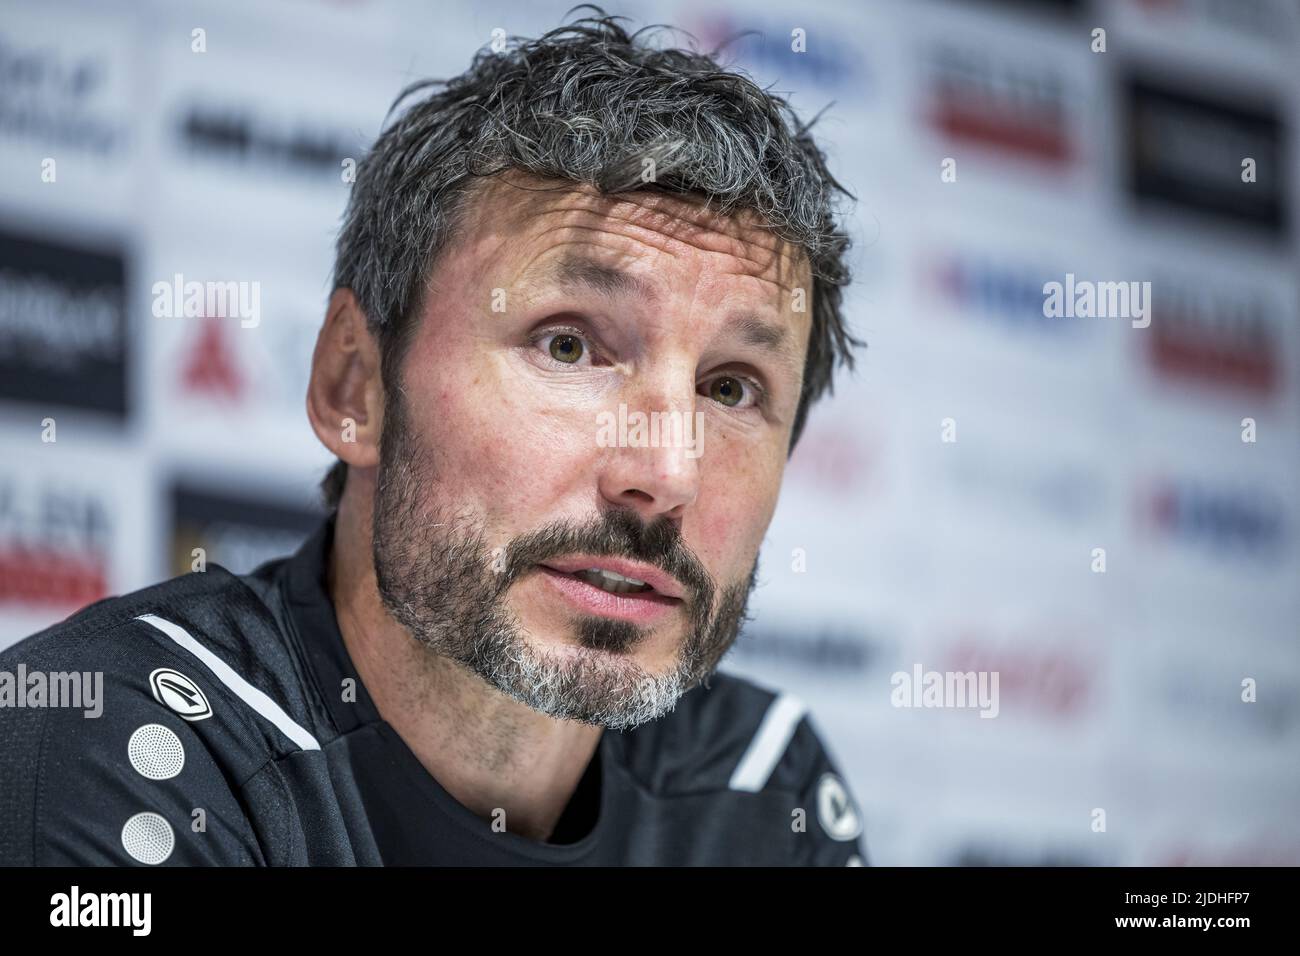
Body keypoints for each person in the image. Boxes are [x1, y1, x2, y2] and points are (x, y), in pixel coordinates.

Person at [0, 10, 866, 865]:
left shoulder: (762, 785)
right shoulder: (115, 740)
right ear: (356, 386)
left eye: (729, 388)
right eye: (568, 345)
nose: (665, 471)